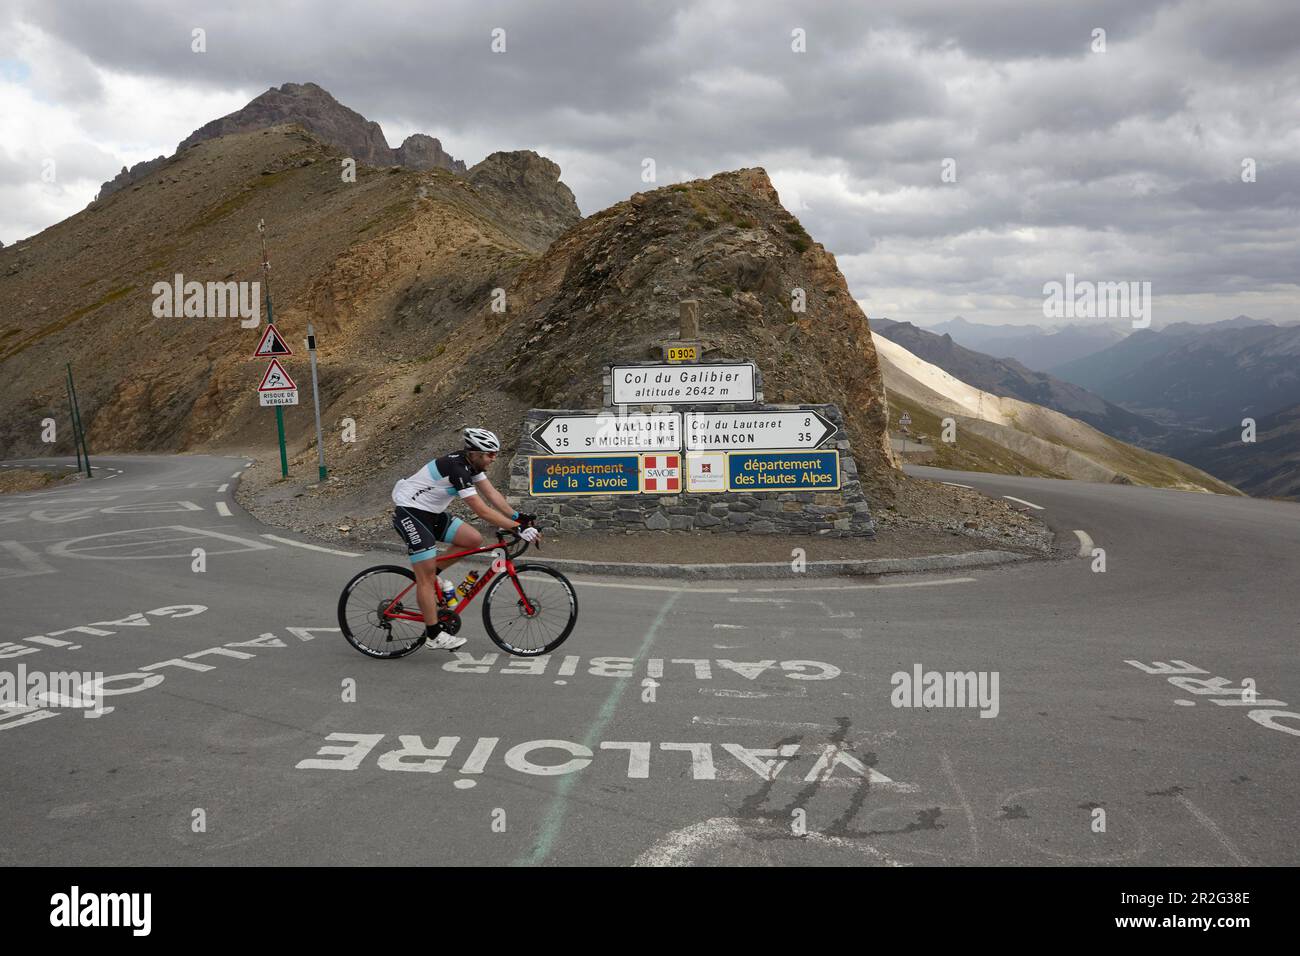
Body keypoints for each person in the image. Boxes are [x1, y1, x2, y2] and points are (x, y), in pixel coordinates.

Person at [391, 427, 540, 650]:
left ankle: (434, 575)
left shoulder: (471, 465)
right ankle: (433, 635)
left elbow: (492, 495)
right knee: (424, 576)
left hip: (430, 513)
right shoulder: (457, 468)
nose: (493, 458)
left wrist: (518, 517)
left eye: (495, 454)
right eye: (489, 454)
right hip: (410, 512)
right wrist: (517, 529)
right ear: (474, 453)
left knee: (472, 539)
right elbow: (482, 510)